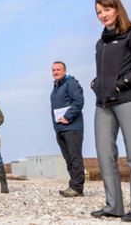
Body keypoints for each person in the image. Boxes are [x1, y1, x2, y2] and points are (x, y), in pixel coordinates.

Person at [91, 0, 131, 222]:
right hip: (103, 104)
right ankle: (113, 205)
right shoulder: (100, 43)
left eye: (106, 10)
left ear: (117, 9)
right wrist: (95, 84)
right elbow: (101, 73)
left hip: (128, 100)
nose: (103, 15)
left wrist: (121, 84)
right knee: (104, 153)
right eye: (98, 12)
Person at [50, 61, 85, 198]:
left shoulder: (71, 83)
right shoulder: (57, 86)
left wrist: (68, 117)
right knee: (68, 159)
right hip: (60, 129)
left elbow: (79, 102)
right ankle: (73, 186)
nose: (55, 72)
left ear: (65, 71)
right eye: (53, 70)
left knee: (75, 157)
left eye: (58, 69)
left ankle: (77, 187)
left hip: (72, 127)